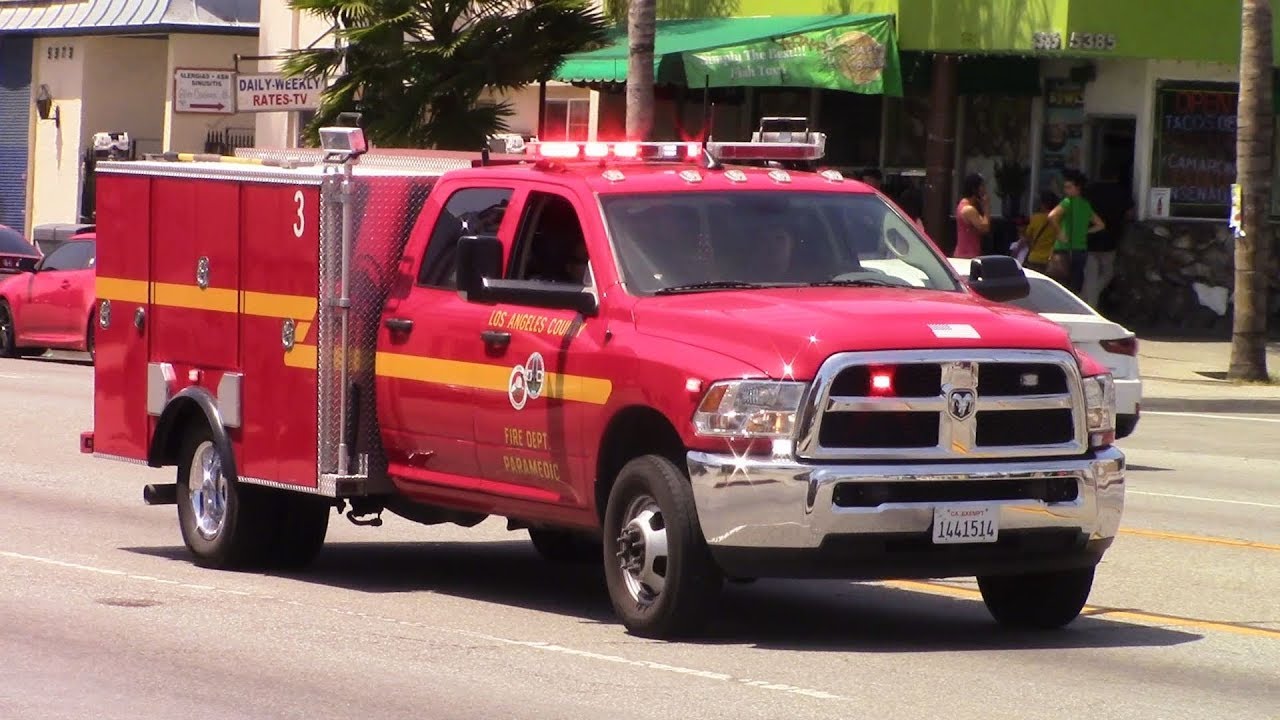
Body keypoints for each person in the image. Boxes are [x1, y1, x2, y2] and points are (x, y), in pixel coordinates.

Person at [1083, 165, 1135, 309]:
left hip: (1089, 238)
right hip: (1111, 239)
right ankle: (1088, 302)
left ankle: (1085, 301)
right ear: (1116, 176)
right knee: (1107, 273)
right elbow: (1130, 214)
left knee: (1090, 275)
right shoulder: (1121, 192)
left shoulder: (1089, 191)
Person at [1047, 170, 1104, 294]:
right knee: (1075, 285)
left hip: (1064, 248)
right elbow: (1100, 225)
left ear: (1078, 188)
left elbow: (1051, 216)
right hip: (1081, 248)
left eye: (1069, 187)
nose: (1065, 191)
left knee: (1059, 284)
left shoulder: (1067, 202)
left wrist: (1059, 232)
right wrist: (1085, 231)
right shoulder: (1086, 205)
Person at [1015, 191, 1059, 273]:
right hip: (1051, 260)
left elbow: (1028, 238)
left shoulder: (1035, 218)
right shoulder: (1059, 219)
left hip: (1035, 258)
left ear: (1043, 204)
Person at [954, 173, 989, 259]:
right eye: (982, 186)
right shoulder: (969, 209)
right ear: (974, 189)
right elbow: (985, 228)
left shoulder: (965, 205)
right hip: (967, 256)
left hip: (966, 253)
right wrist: (986, 208)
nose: (984, 189)